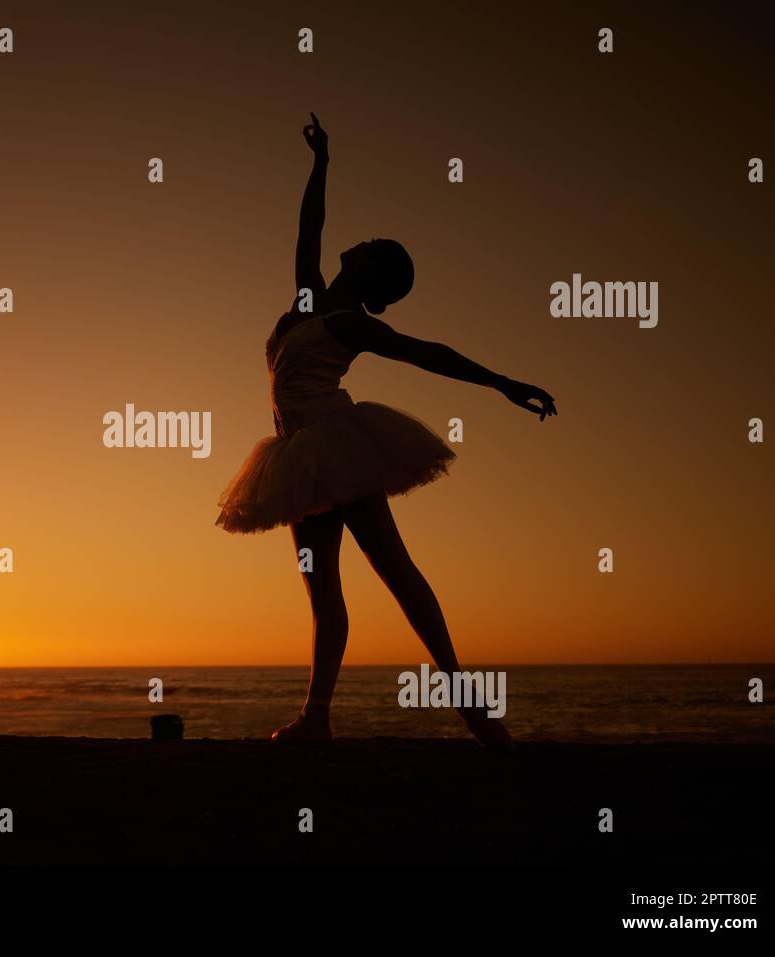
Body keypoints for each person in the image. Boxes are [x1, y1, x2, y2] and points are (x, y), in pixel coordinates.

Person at [215, 114, 557, 748]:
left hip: (336, 446)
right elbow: (307, 228)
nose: (364, 240)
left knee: (396, 571)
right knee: (325, 594)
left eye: (374, 246)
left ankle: (469, 707)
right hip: (299, 458)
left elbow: (431, 352)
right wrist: (321, 164)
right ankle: (317, 716)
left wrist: (504, 383)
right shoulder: (310, 300)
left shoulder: (349, 322)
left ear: (370, 274)